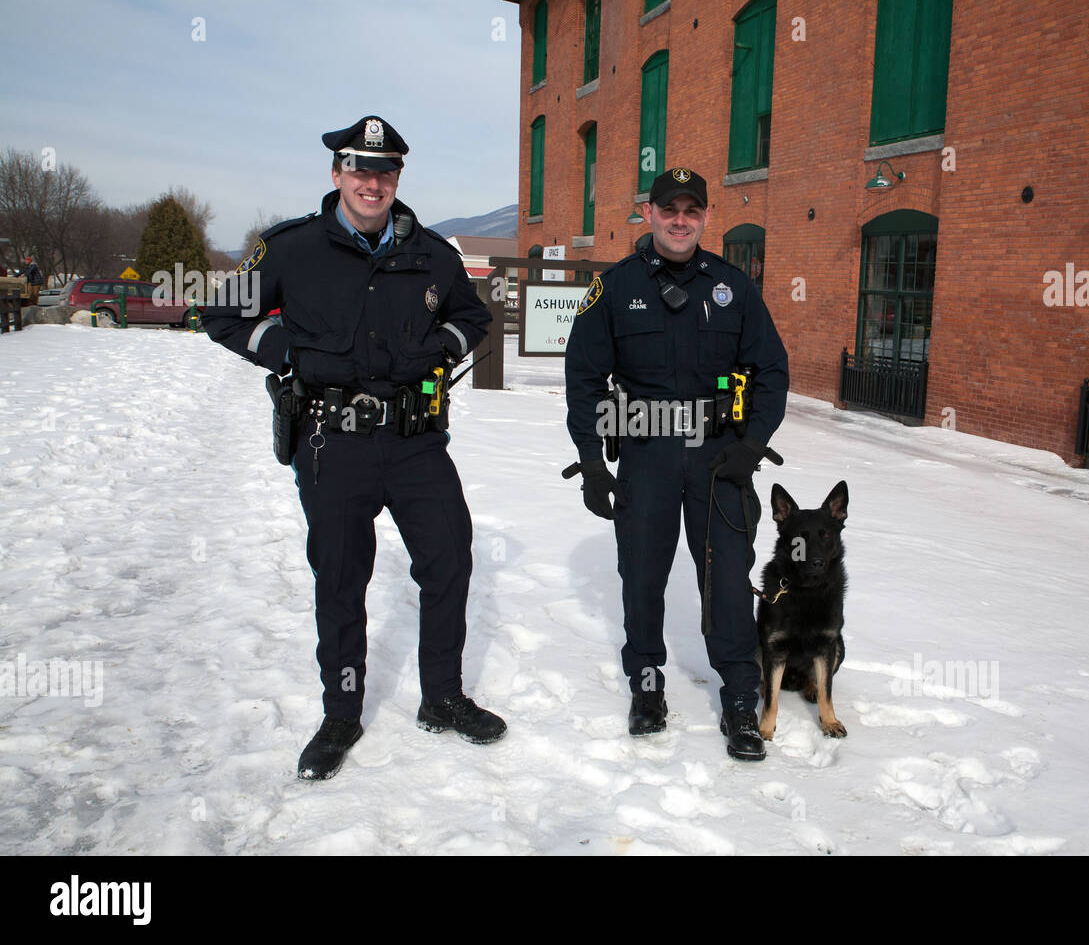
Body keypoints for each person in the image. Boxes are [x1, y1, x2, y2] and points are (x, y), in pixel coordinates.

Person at [202, 116, 505, 781]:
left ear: (398, 177)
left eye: (386, 170)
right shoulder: (291, 249)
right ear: (337, 173)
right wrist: (288, 353)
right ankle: (341, 712)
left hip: (416, 440)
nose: (373, 182)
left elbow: (474, 316)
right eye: (360, 169)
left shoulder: (431, 252)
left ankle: (444, 696)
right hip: (330, 443)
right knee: (341, 578)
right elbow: (223, 316)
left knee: (449, 560)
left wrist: (441, 348)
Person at [564, 167, 789, 761]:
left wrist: (751, 443)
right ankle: (646, 683)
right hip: (647, 455)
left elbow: (772, 373)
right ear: (648, 213)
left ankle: (741, 696)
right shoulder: (614, 288)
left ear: (707, 217)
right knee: (642, 576)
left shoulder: (734, 288)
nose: (680, 220)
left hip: (721, 460)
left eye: (692, 210)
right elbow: (583, 378)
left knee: (727, 584)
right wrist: (591, 460)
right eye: (670, 209)